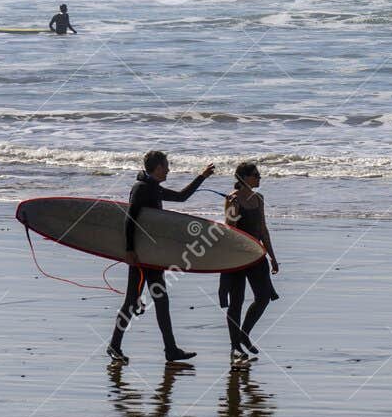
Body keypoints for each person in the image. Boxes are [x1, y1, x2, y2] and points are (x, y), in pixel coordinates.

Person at [107, 150, 214, 364]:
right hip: (140, 257)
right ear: (157, 168)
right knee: (132, 301)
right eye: (166, 166)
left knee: (161, 301)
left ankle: (170, 349)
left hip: (151, 256)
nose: (169, 169)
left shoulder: (152, 188)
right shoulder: (141, 189)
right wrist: (129, 251)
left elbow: (181, 197)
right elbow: (130, 220)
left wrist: (202, 176)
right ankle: (115, 345)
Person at [218, 161, 279, 364]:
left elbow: (263, 229)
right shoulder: (232, 199)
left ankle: (244, 333)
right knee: (236, 301)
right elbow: (229, 230)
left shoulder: (259, 199)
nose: (259, 177)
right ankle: (235, 346)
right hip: (237, 256)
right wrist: (232, 210)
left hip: (256, 254)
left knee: (263, 297)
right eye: (255, 174)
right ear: (243, 178)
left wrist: (272, 256)